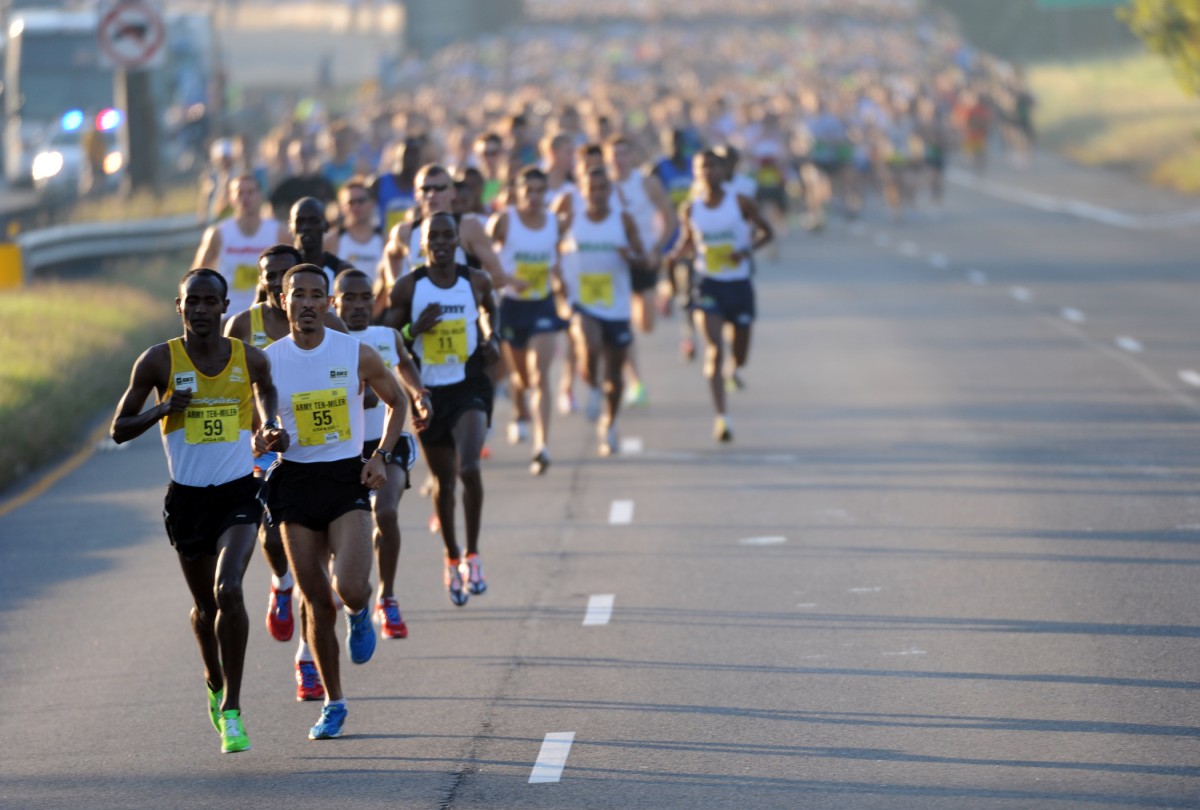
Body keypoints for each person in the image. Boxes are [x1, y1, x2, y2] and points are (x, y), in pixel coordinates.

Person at [111, 268, 287, 754]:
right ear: (179, 306)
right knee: (205, 608)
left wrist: (269, 423)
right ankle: (212, 676)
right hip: (187, 500)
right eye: (194, 302)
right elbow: (119, 429)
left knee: (228, 590)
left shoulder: (247, 358)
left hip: (238, 494)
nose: (203, 310)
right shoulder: (157, 361)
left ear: (225, 306)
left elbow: (267, 391)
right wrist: (162, 409)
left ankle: (232, 708)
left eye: (212, 302)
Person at [263, 263, 430, 740]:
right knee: (316, 600)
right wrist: (261, 437)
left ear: (329, 305)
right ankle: (334, 704)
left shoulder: (355, 353)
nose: (309, 303)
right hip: (293, 481)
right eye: (299, 295)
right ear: (284, 301)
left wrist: (380, 456)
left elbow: (396, 401)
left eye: (318, 295)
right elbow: (250, 415)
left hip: (343, 478)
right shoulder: (269, 360)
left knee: (351, 587)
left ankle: (362, 613)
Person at [224, 244, 349, 702]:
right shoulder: (243, 325)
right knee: (273, 539)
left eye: (285, 274)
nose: (278, 282)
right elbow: (225, 382)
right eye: (270, 275)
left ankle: (305, 655)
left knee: (317, 567)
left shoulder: (326, 322)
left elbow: (350, 376)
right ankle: (279, 583)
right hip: (260, 447)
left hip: (318, 451)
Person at [388, 213, 499, 606]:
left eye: (447, 235)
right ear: (422, 244)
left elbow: (490, 309)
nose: (440, 242)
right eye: (432, 236)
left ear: (457, 241)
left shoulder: (475, 281)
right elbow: (388, 340)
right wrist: (413, 330)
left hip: (469, 386)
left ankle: (474, 554)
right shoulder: (408, 288)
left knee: (468, 467)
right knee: (444, 483)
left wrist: (493, 338)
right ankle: (451, 556)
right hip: (428, 393)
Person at [333, 268, 426, 638]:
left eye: (365, 297)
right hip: (342, 450)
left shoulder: (385, 336)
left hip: (387, 442)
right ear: (334, 303)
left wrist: (419, 394)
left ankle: (387, 597)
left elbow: (405, 365)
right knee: (339, 530)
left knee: (384, 510)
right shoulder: (326, 344)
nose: (358, 305)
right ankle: (345, 583)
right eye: (349, 298)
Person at [671, 148, 773, 442]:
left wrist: (745, 251)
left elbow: (766, 232)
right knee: (714, 349)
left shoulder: (740, 202)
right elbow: (687, 241)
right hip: (708, 284)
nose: (708, 173)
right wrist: (675, 255)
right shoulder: (690, 209)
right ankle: (722, 417)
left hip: (738, 284)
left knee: (740, 351)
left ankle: (735, 369)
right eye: (702, 168)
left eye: (713, 167)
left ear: (723, 171)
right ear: (696, 173)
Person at [559, 163, 645, 456]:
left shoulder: (623, 220)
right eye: (591, 188)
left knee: (616, 377)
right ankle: (592, 389)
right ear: (582, 192)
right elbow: (551, 248)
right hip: (583, 302)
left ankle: (609, 424)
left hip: (617, 306)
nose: (596, 193)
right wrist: (559, 285)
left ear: (611, 191)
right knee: (589, 341)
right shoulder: (571, 220)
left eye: (602, 188)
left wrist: (631, 255)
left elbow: (643, 259)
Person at [488, 166, 566, 474]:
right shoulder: (504, 221)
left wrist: (562, 285)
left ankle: (541, 445)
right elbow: (484, 261)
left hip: (542, 306)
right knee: (519, 378)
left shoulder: (554, 224)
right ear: (517, 192)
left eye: (539, 191)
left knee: (539, 376)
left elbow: (556, 259)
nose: (534, 197)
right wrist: (507, 278)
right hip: (511, 307)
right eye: (528, 190)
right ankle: (519, 410)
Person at [606, 133, 677, 406]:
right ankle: (635, 381)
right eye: (614, 154)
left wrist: (657, 250)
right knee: (623, 324)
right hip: (613, 262)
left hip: (644, 258)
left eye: (623, 154)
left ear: (633, 156)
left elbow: (669, 217)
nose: (619, 160)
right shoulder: (601, 186)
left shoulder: (647, 183)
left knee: (646, 324)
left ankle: (654, 299)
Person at [194, 174, 287, 317]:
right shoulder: (218, 233)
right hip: (229, 315)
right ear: (231, 198)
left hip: (267, 317)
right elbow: (196, 276)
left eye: (250, 192)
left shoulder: (278, 232)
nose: (246, 198)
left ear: (260, 196)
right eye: (240, 193)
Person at [326, 178, 388, 318]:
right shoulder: (332, 240)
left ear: (372, 203)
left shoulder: (385, 240)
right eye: (351, 202)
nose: (356, 206)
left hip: (376, 315)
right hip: (340, 317)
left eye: (361, 201)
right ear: (342, 207)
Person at [290, 196, 353, 290]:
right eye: (300, 221)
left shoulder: (341, 272)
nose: (306, 227)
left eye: (314, 221)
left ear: (326, 226)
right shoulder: (282, 269)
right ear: (290, 226)